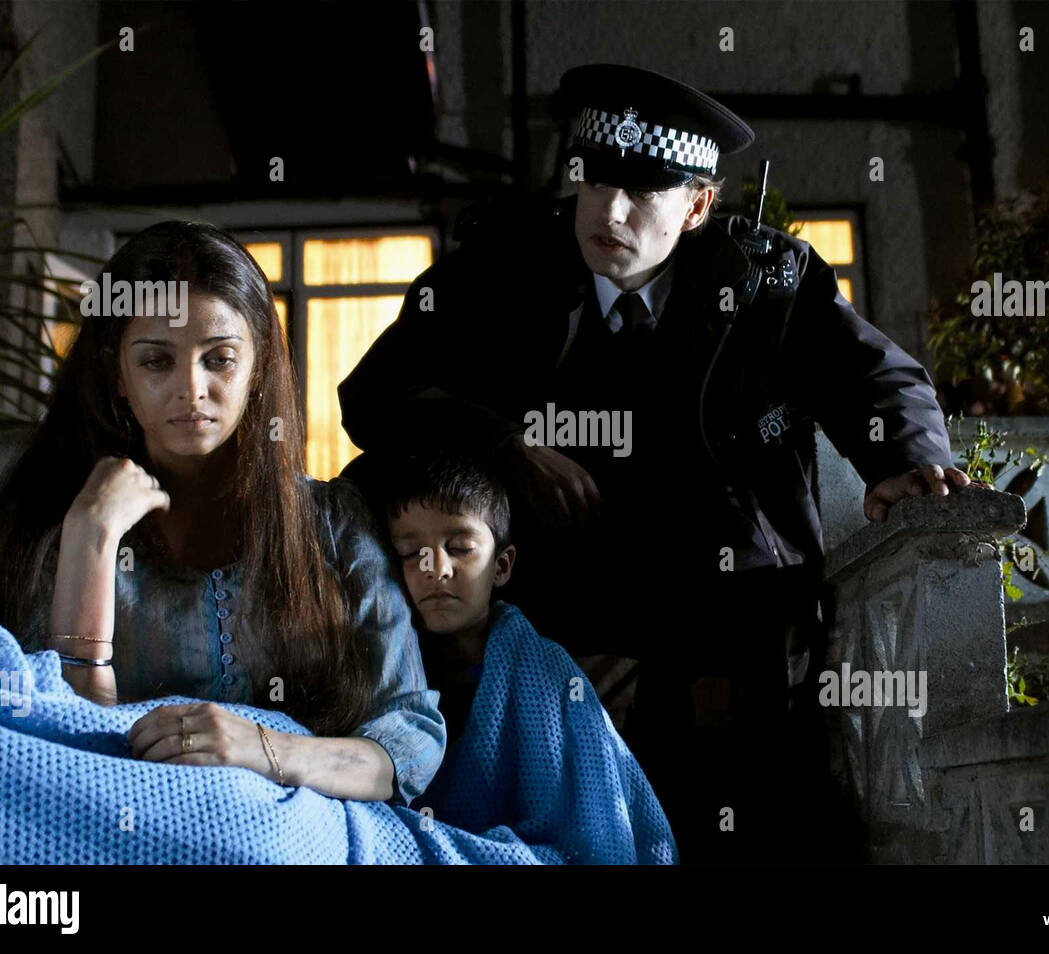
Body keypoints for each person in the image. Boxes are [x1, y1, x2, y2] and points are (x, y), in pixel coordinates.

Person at [337, 64, 975, 859]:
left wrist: (906, 463)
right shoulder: (501, 268)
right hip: (554, 613)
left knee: (752, 825)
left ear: (700, 205)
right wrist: (506, 443)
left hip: (726, 614)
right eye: (597, 181)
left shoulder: (766, 282)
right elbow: (371, 397)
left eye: (644, 193)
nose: (608, 211)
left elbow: (876, 377)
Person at [0, 221, 445, 805]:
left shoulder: (334, 523)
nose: (190, 389)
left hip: (298, 834)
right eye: (156, 362)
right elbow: (51, 749)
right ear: (116, 373)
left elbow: (408, 744)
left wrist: (265, 749)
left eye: (219, 359)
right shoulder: (54, 521)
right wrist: (90, 540)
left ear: (259, 364)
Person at [380, 453, 676, 864]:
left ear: (501, 566)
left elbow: (590, 828)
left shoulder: (544, 671)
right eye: (413, 553)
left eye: (461, 547)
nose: (437, 569)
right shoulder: (393, 664)